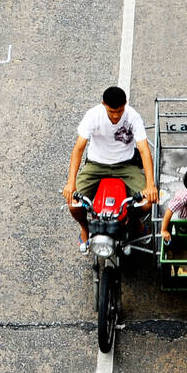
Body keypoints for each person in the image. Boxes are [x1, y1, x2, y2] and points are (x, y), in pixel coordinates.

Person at [63, 87, 159, 251]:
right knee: (73, 204)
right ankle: (85, 229)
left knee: (147, 203)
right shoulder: (93, 115)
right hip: (96, 165)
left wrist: (150, 185)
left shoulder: (133, 117)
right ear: (103, 105)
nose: (116, 116)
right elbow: (78, 149)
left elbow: (144, 150)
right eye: (112, 111)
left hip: (126, 165)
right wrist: (70, 183)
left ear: (125, 105)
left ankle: (134, 222)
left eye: (120, 111)